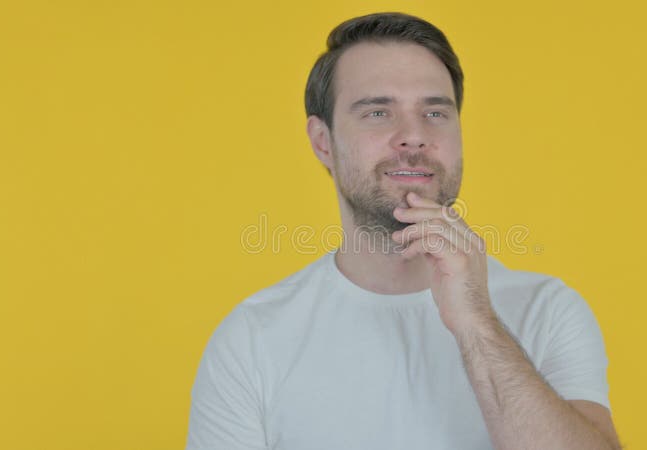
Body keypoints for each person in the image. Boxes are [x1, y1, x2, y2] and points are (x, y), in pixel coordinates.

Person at [186, 12, 621, 450]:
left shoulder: (546, 312)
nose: (414, 136)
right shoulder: (252, 340)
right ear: (323, 142)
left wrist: (477, 324)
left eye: (435, 112)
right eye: (378, 112)